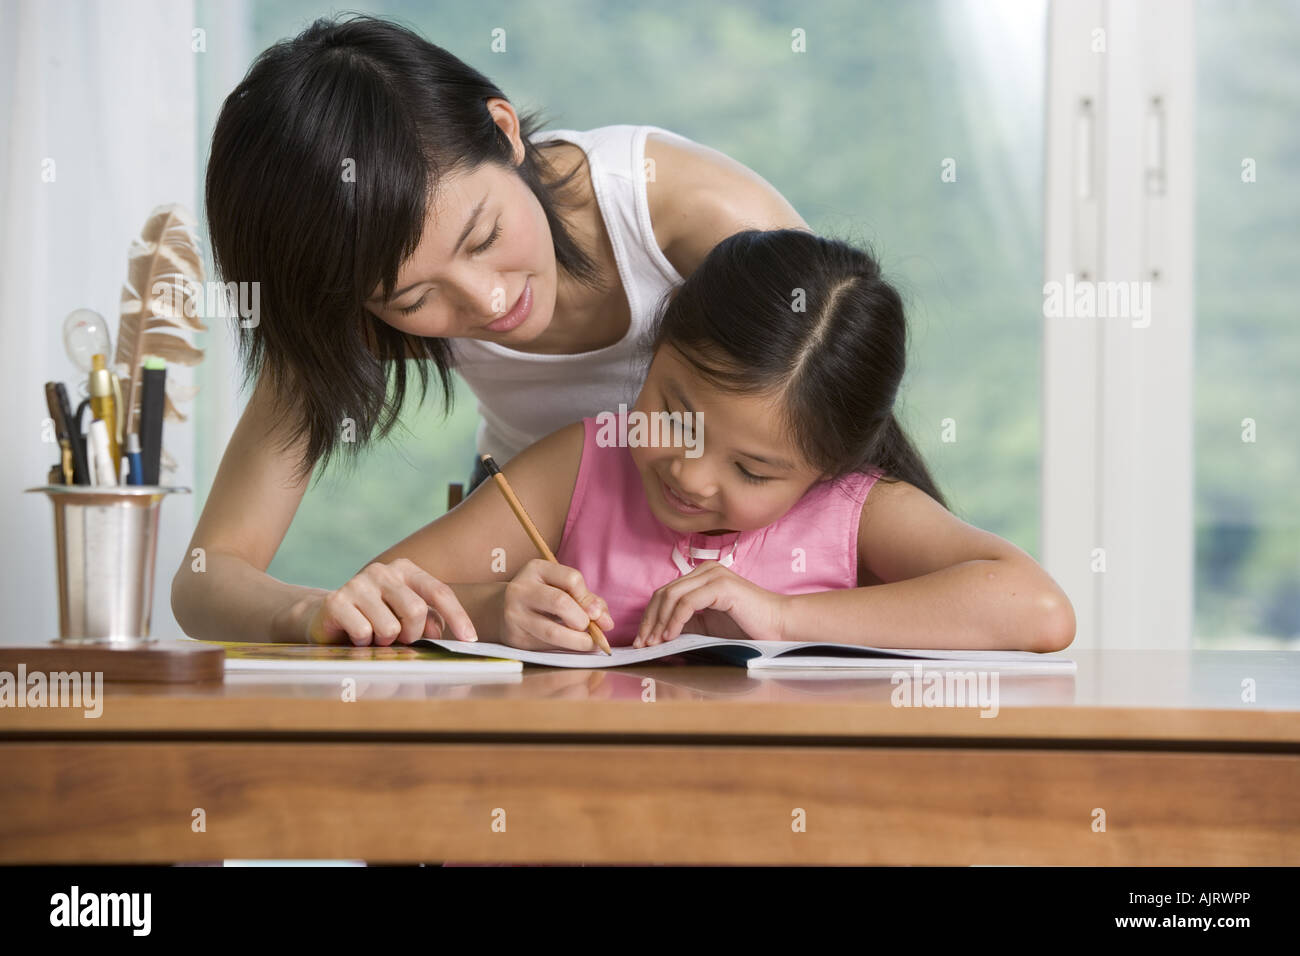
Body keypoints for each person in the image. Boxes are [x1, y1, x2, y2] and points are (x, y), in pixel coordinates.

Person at [170, 14, 807, 645]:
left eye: (485, 237)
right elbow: (207, 578)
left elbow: (841, 429)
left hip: (746, 557)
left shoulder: (688, 215)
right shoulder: (356, 301)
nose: (489, 299)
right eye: (415, 297)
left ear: (503, 131)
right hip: (533, 567)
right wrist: (321, 612)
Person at [368, 230, 1077, 653]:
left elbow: (1038, 611)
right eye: (676, 417)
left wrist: (783, 616)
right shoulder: (586, 462)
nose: (692, 475)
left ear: (827, 467)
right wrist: (493, 612)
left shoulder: (854, 511)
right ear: (659, 342)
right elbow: (375, 597)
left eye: (753, 470)